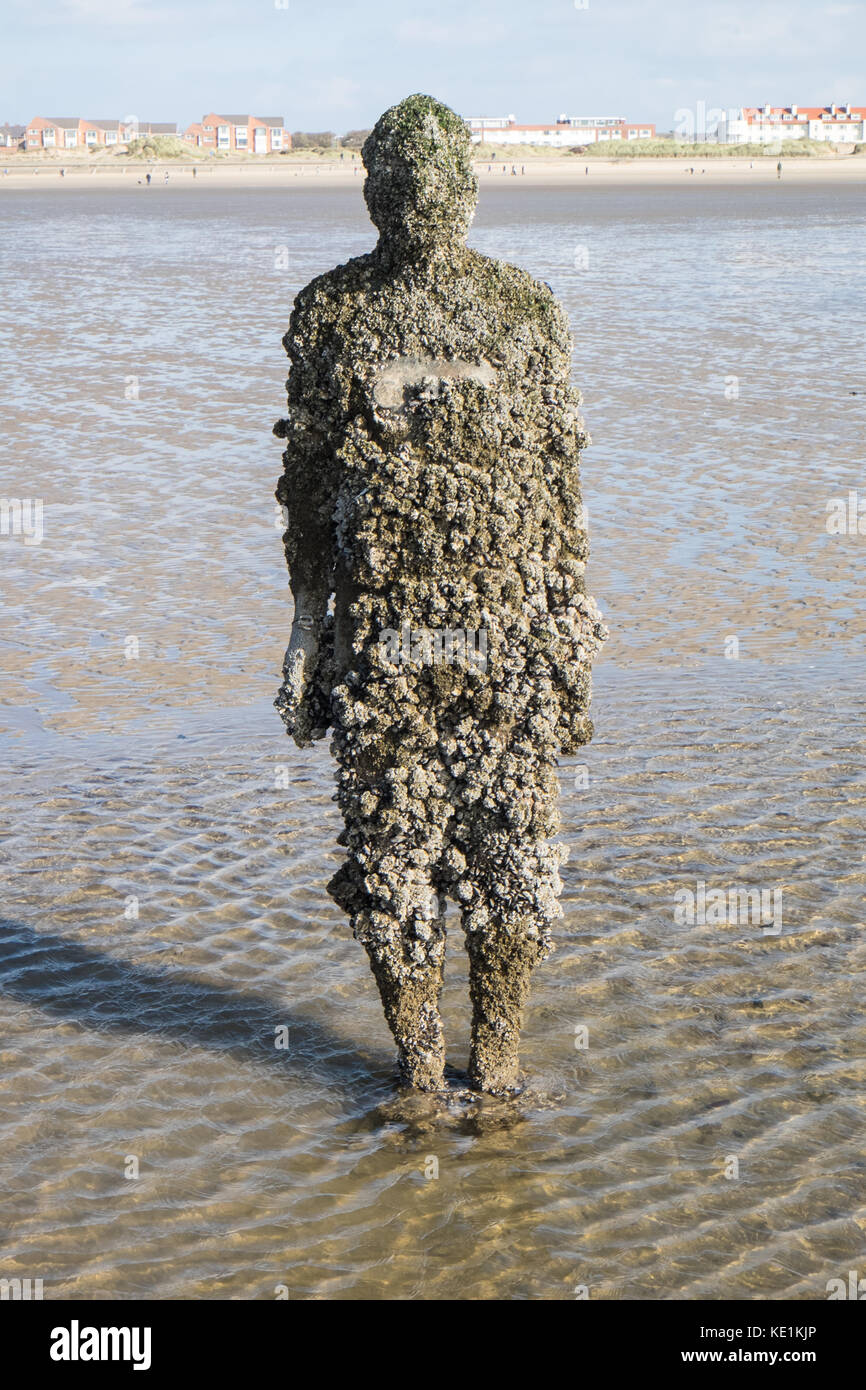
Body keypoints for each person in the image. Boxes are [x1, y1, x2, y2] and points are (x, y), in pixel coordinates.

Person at [274, 94, 606, 1094]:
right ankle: (418, 1071)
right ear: (369, 187)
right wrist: (303, 629)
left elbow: (559, 484)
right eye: (398, 170)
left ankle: (496, 1064)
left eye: (436, 169)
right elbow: (311, 483)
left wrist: (569, 636)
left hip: (506, 638)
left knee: (514, 862)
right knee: (388, 860)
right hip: (383, 640)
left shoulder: (524, 310)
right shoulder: (328, 313)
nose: (420, 190)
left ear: (469, 182)